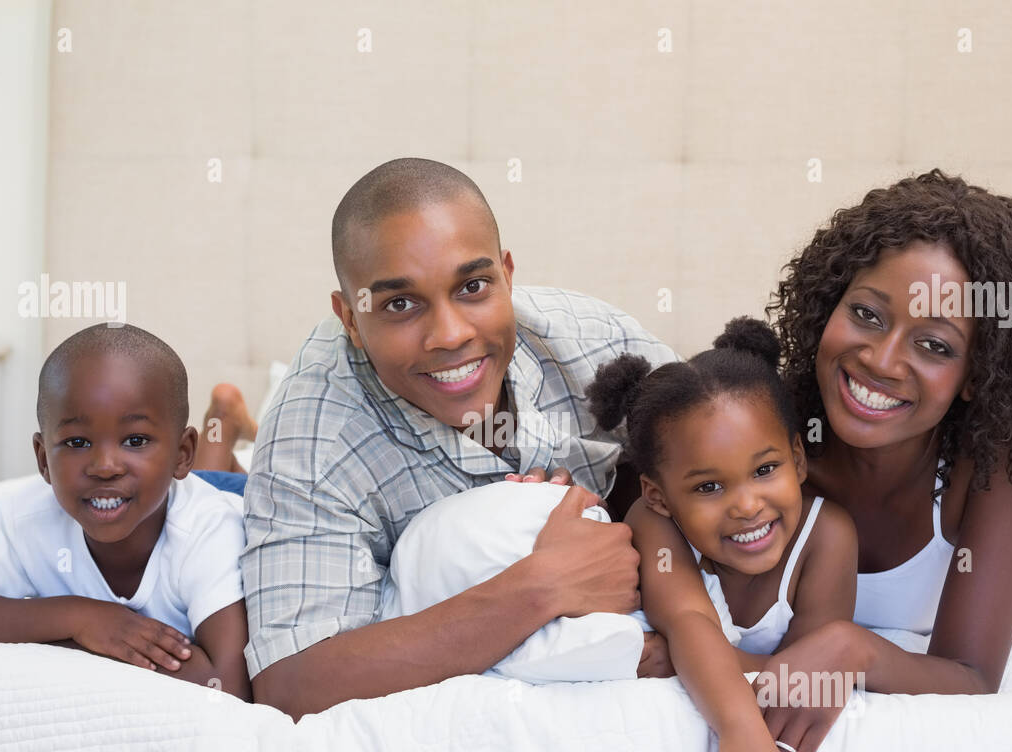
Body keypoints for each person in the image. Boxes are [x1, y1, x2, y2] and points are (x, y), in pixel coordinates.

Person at [630, 170, 1012, 752]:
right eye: (867, 314)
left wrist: (853, 650)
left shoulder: (996, 466)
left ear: (979, 374)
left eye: (934, 345)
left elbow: (973, 676)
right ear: (831, 303)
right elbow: (652, 486)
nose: (881, 361)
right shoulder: (766, 435)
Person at [242, 158, 682, 720]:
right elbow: (291, 683)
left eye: (473, 287)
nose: (451, 335)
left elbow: (734, 467)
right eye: (400, 304)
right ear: (350, 318)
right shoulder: (312, 441)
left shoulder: (593, 342)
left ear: (507, 274)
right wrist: (541, 586)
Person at [588, 317, 859, 752]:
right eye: (709, 486)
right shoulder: (654, 523)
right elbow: (689, 621)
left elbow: (806, 681)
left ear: (798, 459)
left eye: (765, 470)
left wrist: (687, 660)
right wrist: (739, 729)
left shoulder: (827, 537)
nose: (746, 504)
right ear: (660, 495)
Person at [0, 324, 252, 701]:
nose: (105, 466)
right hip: (159, 488)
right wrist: (81, 618)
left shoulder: (210, 529)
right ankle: (225, 419)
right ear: (43, 459)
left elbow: (227, 685)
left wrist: (68, 637)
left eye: (135, 440)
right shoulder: (25, 519)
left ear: (182, 453)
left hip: (223, 494)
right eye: (77, 442)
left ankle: (225, 423)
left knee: (226, 483)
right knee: (190, 478)